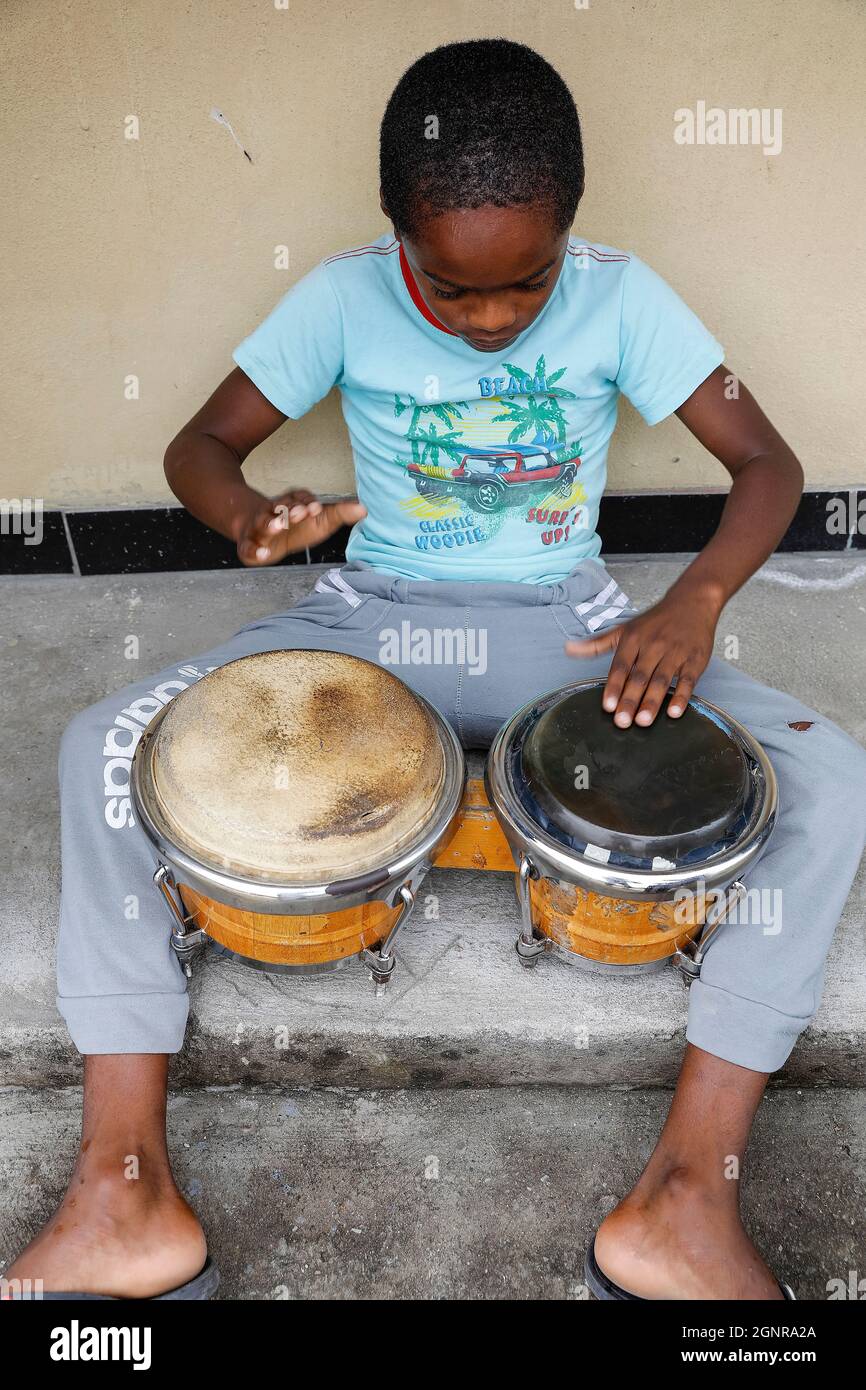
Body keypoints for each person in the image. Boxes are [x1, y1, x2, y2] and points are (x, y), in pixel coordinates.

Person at [5, 38, 865, 1302]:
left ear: (569, 228)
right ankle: (122, 1191)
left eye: (524, 285)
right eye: (451, 290)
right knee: (101, 748)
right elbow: (200, 443)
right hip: (374, 616)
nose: (488, 320)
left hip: (570, 626)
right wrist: (243, 514)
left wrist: (689, 599)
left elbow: (769, 467)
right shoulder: (341, 299)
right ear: (395, 231)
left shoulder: (627, 299)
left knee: (828, 776)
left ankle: (687, 1198)